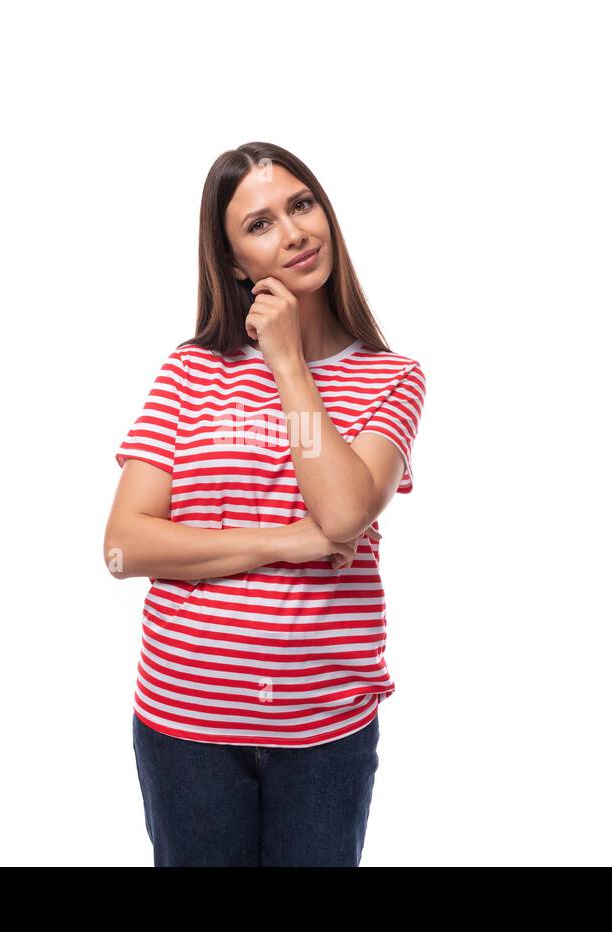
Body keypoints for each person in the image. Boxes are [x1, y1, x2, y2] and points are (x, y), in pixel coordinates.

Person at [103, 142, 427, 866]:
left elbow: (343, 514)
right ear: (237, 266)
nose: (293, 232)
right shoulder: (191, 372)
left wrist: (286, 361)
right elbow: (124, 546)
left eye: (302, 205)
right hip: (186, 726)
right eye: (260, 224)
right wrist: (286, 541)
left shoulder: (391, 379)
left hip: (324, 731)